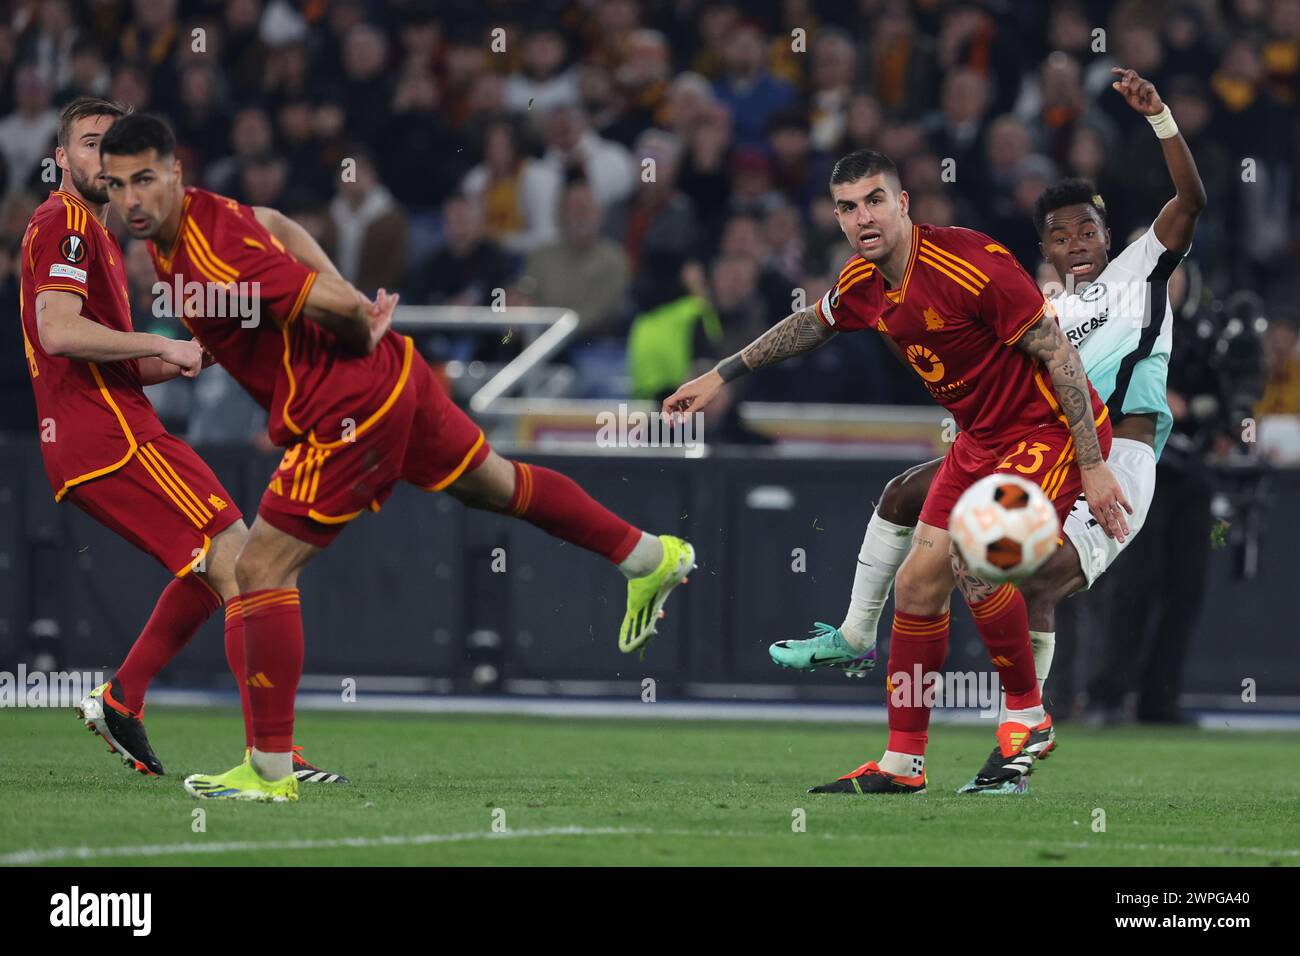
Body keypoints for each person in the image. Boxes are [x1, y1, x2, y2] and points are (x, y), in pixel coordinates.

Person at [99, 112, 695, 803]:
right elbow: (280, 225)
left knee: (258, 569)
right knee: (494, 484)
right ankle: (650, 557)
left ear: (175, 173)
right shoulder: (201, 220)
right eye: (117, 186)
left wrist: (354, 318)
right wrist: (356, 306)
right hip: (395, 378)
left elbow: (316, 297)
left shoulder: (208, 250)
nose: (132, 199)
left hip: (347, 405)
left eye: (145, 179)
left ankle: (269, 773)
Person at [769, 69, 1206, 786]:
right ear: (1046, 249)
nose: (1078, 244)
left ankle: (1020, 740)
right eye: (1062, 236)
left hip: (1117, 455)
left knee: (1028, 579)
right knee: (912, 501)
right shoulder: (1040, 308)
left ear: (1107, 235)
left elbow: (1192, 200)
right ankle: (874, 661)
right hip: (1040, 444)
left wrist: (1161, 118)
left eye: (1089, 230)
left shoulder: (1139, 269)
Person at [664, 141, 1128, 795]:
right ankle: (904, 763)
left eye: (875, 200)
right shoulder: (862, 283)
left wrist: (1092, 466)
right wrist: (720, 373)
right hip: (979, 441)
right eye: (847, 208)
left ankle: (1029, 717)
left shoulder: (974, 264)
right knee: (914, 590)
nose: (863, 218)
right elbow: (809, 326)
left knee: (975, 556)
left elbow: (1060, 357)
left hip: (1045, 432)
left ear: (902, 203)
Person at [20, 97, 343, 784]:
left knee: (213, 564)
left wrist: (202, 349)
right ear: (60, 159)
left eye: (111, 146)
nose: (100, 156)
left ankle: (121, 697)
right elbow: (58, 330)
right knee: (241, 564)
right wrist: (161, 341)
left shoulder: (95, 235)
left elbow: (118, 360)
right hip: (108, 434)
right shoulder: (67, 224)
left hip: (107, 425)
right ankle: (274, 759)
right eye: (87, 143)